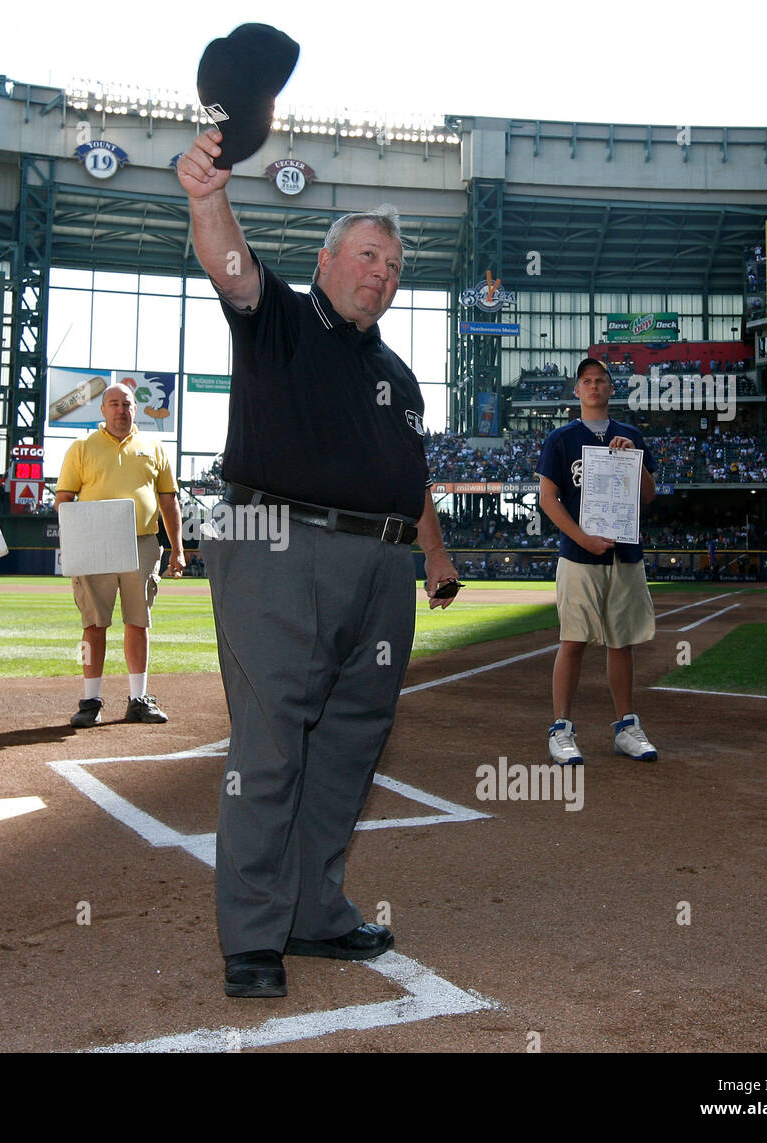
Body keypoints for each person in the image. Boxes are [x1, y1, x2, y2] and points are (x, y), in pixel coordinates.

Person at [177, 128, 459, 1000]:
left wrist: (435, 555)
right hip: (278, 543)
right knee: (270, 747)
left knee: (348, 746)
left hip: (381, 570)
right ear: (327, 258)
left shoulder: (402, 377)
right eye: (368, 255)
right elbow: (230, 266)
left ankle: (312, 908)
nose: (381, 274)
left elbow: (409, 480)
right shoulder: (284, 320)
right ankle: (255, 935)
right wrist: (207, 194)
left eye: (394, 266)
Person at [536, 358, 658, 767]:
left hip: (624, 552)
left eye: (600, 380)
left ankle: (626, 727)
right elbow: (547, 499)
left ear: (610, 389)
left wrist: (634, 459)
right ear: (577, 390)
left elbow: (648, 496)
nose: (593, 386)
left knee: (620, 641)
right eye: (586, 380)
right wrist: (582, 538)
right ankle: (562, 729)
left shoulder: (631, 435)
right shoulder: (561, 438)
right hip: (578, 554)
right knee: (572, 640)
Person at [54, 383, 184, 728]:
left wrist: (178, 550)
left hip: (142, 542)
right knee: (93, 624)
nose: (120, 410)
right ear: (103, 411)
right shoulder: (82, 448)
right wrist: (76, 539)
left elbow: (169, 501)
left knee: (138, 623)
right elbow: (63, 498)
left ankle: (138, 699)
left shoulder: (153, 447)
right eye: (113, 404)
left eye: (126, 404)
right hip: (96, 541)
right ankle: (90, 700)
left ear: (135, 409)